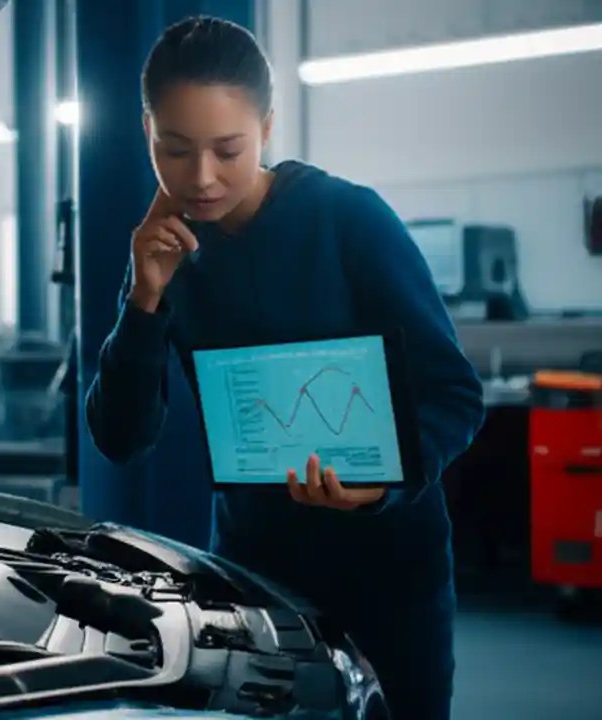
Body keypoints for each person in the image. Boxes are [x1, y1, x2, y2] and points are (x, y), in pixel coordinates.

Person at [84, 16, 485, 720]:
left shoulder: (350, 220)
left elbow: (454, 394)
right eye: (173, 150)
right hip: (255, 573)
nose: (201, 178)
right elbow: (121, 436)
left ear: (266, 128)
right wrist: (145, 298)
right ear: (147, 129)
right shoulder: (166, 249)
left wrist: (381, 482)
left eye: (227, 149)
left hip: (391, 574)